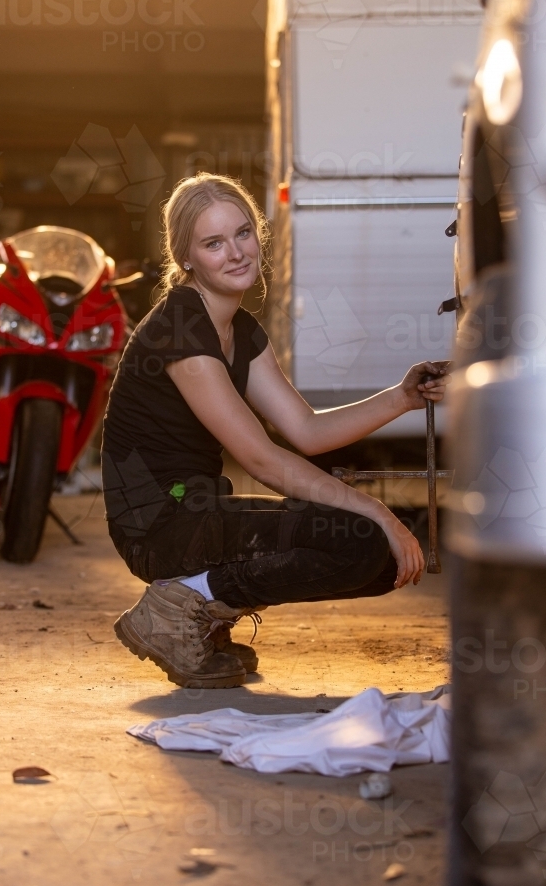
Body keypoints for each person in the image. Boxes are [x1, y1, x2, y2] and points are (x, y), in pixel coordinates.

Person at [101, 173, 449, 689]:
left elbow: (306, 431)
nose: (236, 252)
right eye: (213, 243)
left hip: (196, 510)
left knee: (379, 558)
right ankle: (182, 605)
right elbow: (262, 460)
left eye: (243, 233)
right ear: (186, 257)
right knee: (361, 539)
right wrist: (377, 509)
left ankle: (202, 604)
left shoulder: (240, 329)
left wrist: (402, 396)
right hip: (158, 526)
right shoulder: (180, 328)